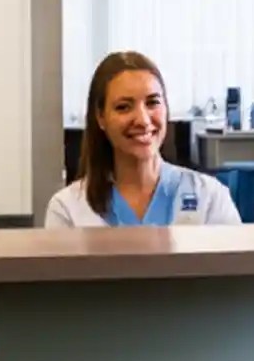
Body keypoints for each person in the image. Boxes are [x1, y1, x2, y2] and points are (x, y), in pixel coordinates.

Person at [45, 51, 243, 228]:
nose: (142, 120)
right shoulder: (68, 210)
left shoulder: (210, 197)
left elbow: (236, 268)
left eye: (152, 103)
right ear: (101, 117)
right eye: (123, 107)